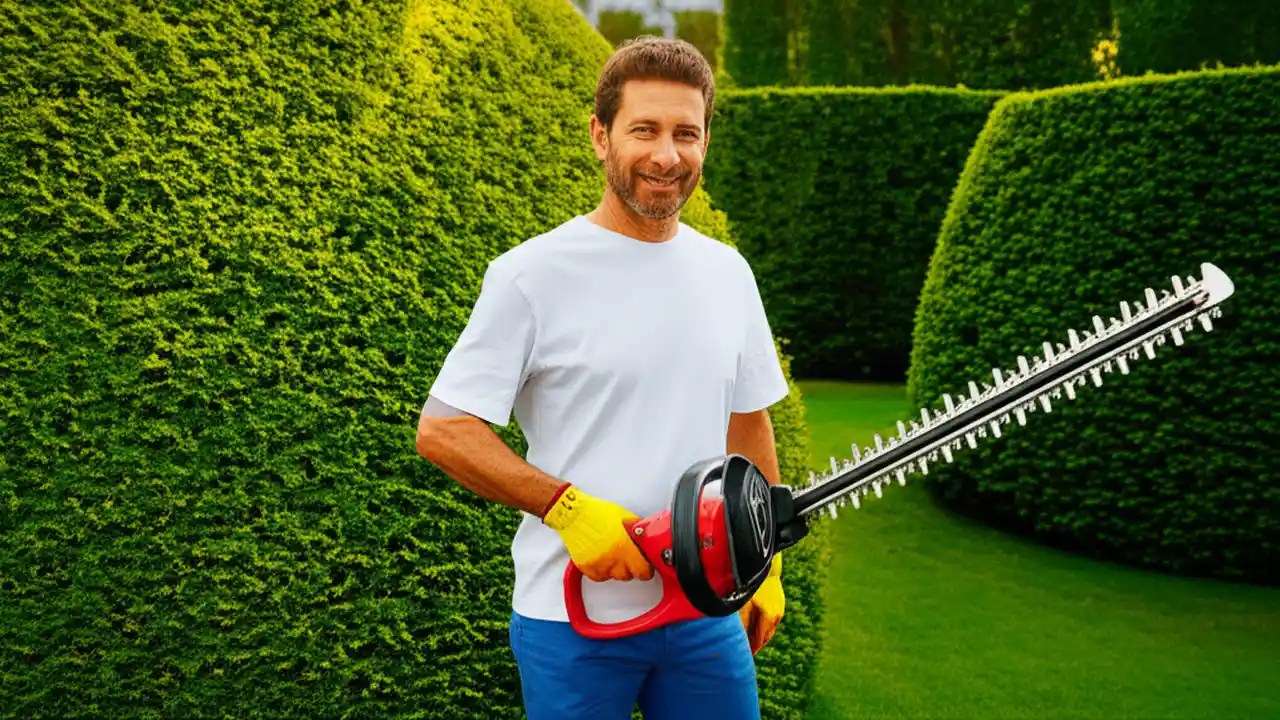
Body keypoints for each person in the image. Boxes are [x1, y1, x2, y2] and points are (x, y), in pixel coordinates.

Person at [415, 36, 789, 720]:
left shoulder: (728, 273)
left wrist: (761, 560)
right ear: (600, 136)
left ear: (706, 141)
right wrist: (566, 508)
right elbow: (444, 430)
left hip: (706, 613)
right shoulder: (531, 275)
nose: (666, 155)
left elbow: (748, 420)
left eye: (687, 133)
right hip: (571, 616)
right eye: (643, 130)